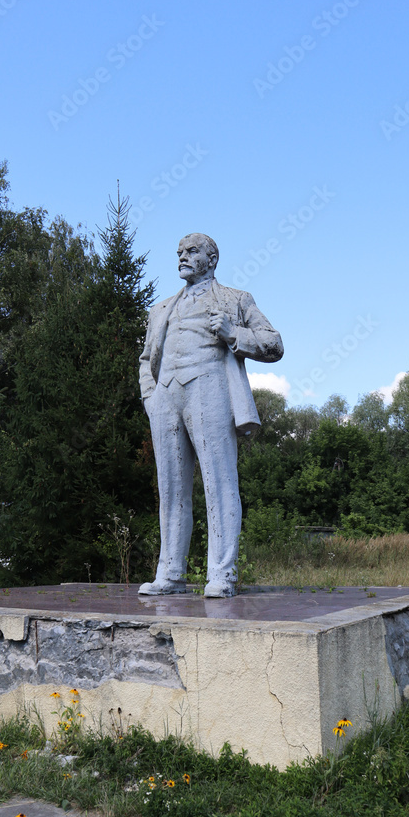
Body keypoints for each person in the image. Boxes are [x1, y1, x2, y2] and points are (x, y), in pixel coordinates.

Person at [138, 232, 283, 597]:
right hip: (166, 396)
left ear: (212, 258)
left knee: (219, 482)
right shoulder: (160, 309)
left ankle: (222, 574)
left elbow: (274, 344)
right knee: (171, 489)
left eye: (191, 252)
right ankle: (170, 573)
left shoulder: (235, 299)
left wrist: (234, 333)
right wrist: (150, 397)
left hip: (210, 388)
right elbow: (145, 360)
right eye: (179, 252)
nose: (182, 257)